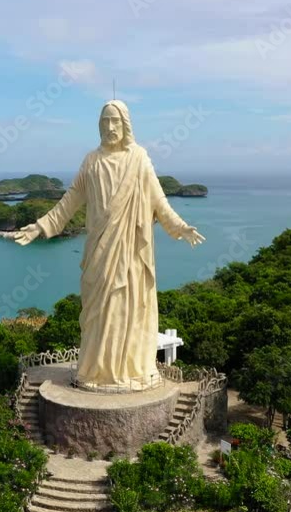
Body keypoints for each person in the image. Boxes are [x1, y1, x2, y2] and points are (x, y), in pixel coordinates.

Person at [12, 100, 205, 388]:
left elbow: (158, 200)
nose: (110, 127)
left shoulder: (139, 159)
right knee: (99, 311)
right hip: (100, 252)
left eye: (115, 121)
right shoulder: (91, 161)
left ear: (125, 124)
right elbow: (70, 200)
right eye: (105, 122)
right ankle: (96, 370)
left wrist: (178, 226)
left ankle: (130, 369)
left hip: (129, 256)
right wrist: (41, 225)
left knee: (127, 309)